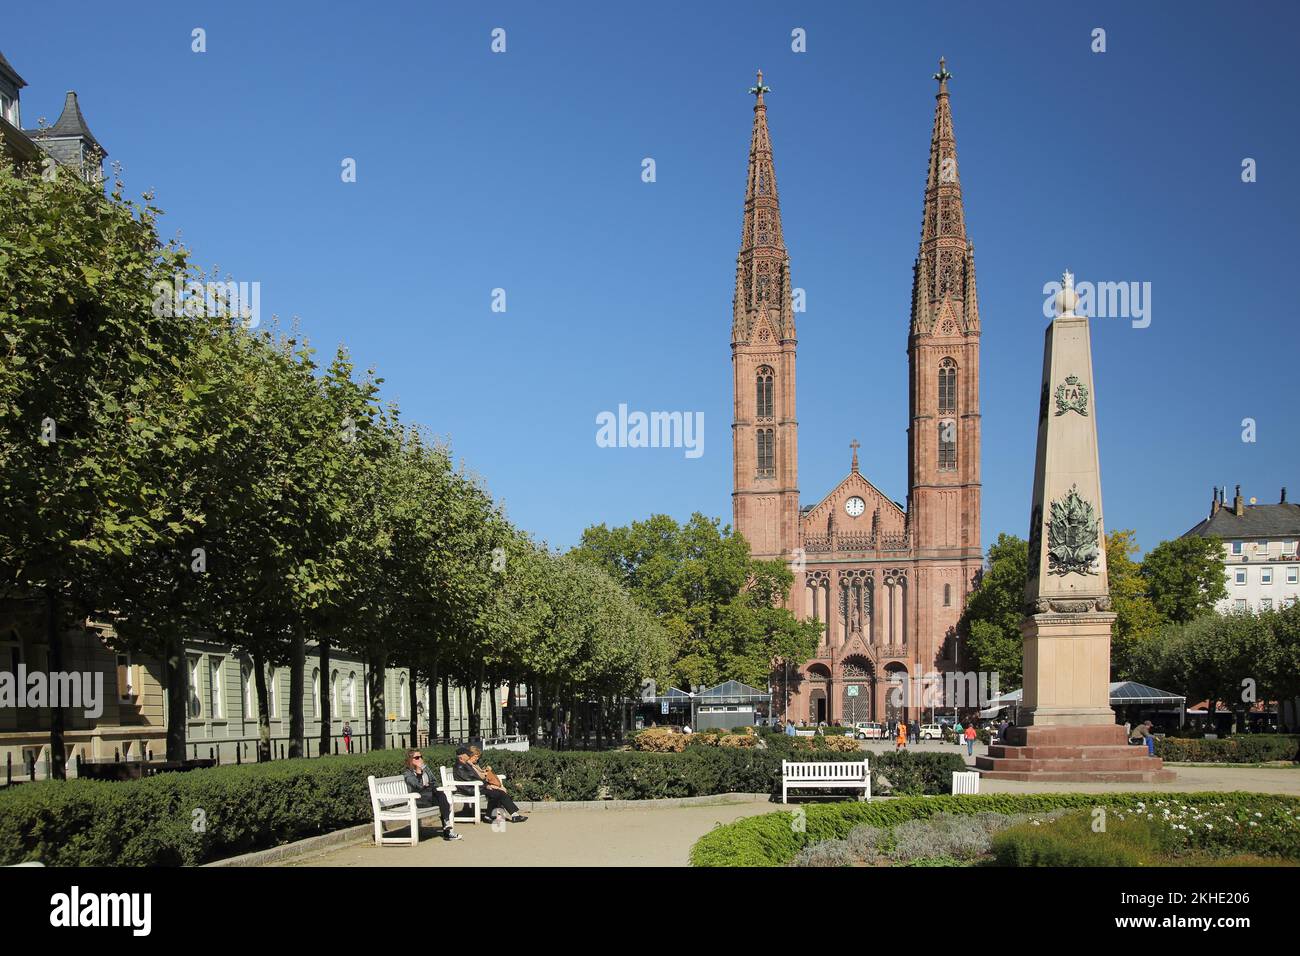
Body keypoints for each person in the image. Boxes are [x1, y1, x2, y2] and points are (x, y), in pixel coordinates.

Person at [454, 745, 527, 823]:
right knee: (496, 793)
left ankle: (514, 815)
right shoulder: (460, 766)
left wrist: (488, 785)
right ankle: (488, 816)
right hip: (470, 789)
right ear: (461, 756)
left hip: (476, 787)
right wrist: (487, 786)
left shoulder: (466, 765)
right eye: (467, 755)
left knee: (499, 793)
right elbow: (470, 780)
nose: (469, 756)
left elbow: (474, 779)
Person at [402, 749, 461, 841]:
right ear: (410, 760)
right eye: (417, 758)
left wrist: (424, 772)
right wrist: (418, 772)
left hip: (429, 797)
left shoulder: (425, 768)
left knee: (441, 796)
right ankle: (447, 828)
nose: (420, 759)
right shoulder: (407, 773)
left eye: (421, 757)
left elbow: (434, 781)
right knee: (443, 799)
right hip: (418, 800)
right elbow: (417, 786)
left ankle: (447, 827)